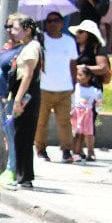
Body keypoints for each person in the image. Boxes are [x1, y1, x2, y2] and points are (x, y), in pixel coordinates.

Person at [33, 11, 79, 164]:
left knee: (65, 121)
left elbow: (73, 63)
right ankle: (40, 149)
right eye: (49, 21)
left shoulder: (69, 41)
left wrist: (74, 83)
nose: (52, 23)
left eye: (56, 20)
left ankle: (66, 150)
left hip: (64, 88)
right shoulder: (40, 40)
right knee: (41, 121)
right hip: (44, 88)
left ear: (62, 23)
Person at [5, 14, 42, 188]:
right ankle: (21, 176)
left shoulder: (31, 48)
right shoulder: (26, 47)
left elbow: (28, 75)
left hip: (27, 95)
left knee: (24, 137)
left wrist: (18, 100)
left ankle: (24, 177)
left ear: (27, 30)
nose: (12, 31)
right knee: (20, 136)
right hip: (24, 94)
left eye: (16, 28)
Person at [69, 19, 111, 162]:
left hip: (92, 89)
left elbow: (103, 68)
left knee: (89, 120)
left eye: (80, 32)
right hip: (77, 89)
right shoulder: (75, 46)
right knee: (76, 119)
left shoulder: (97, 48)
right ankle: (78, 150)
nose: (77, 34)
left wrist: (82, 68)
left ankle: (90, 151)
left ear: (87, 34)